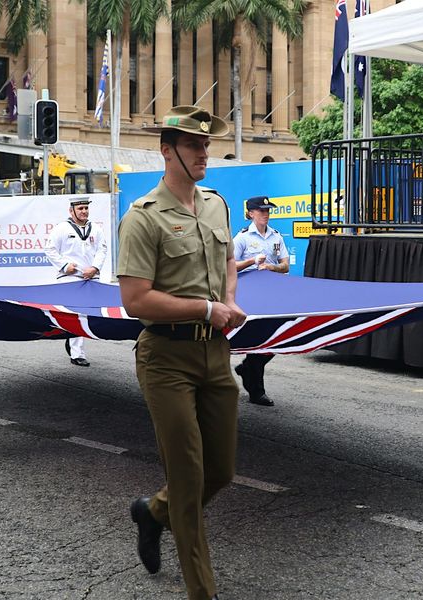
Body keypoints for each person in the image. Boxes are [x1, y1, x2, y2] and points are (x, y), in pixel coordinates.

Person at [116, 105, 245, 600]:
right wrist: (204, 308)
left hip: (214, 353)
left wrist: (229, 302)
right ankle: (201, 591)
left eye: (207, 145)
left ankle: (152, 513)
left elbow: (230, 259)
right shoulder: (143, 217)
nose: (204, 153)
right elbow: (135, 300)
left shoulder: (215, 204)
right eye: (194, 145)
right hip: (165, 357)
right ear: (167, 150)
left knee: (222, 471)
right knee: (189, 477)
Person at [233, 195, 289, 407]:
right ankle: (257, 391)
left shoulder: (276, 237)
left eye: (268, 210)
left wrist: (271, 267)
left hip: (273, 293)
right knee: (258, 338)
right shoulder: (242, 238)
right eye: (261, 210)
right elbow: (229, 266)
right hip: (249, 295)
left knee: (276, 337)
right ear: (251, 213)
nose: (266, 214)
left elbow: (285, 265)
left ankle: (247, 367)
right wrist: (251, 261)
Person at [43, 196, 111, 366]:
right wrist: (65, 266)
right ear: (71, 210)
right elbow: (50, 249)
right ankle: (77, 354)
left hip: (90, 276)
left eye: (86, 208)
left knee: (87, 314)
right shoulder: (62, 228)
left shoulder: (95, 228)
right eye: (80, 208)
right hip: (70, 277)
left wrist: (94, 268)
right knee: (74, 314)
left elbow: (102, 249)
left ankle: (72, 338)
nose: (84, 211)